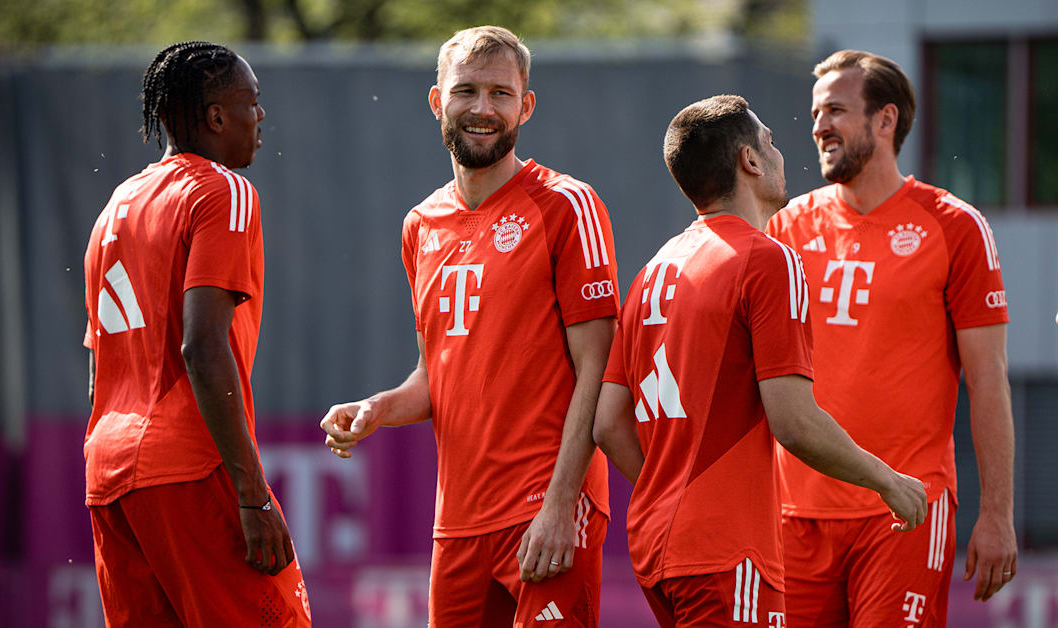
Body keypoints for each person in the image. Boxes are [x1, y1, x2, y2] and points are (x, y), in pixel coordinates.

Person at [320, 26, 618, 626]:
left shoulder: (567, 205)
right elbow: (440, 375)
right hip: (456, 523)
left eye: (501, 94)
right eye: (466, 92)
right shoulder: (420, 225)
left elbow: (601, 367)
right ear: (438, 102)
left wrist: (562, 503)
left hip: (546, 507)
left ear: (525, 106)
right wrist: (377, 408)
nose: (483, 109)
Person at [592, 94, 927, 627]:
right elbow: (794, 423)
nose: (780, 152)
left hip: (656, 543)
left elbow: (609, 424)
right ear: (749, 160)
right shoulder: (769, 259)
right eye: (770, 142)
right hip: (728, 549)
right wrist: (888, 481)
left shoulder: (653, 270)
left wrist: (671, 490)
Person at [766, 49, 1017, 626]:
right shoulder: (786, 228)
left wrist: (997, 513)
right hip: (792, 513)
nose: (818, 126)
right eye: (814, 113)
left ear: (886, 120)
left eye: (835, 110)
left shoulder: (955, 226)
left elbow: (988, 381)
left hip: (904, 511)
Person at [82, 41, 310, 627]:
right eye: (251, 102)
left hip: (110, 475)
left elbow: (99, 370)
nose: (260, 116)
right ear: (215, 116)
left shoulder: (118, 204)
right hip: (188, 465)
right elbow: (202, 346)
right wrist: (253, 494)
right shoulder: (220, 191)